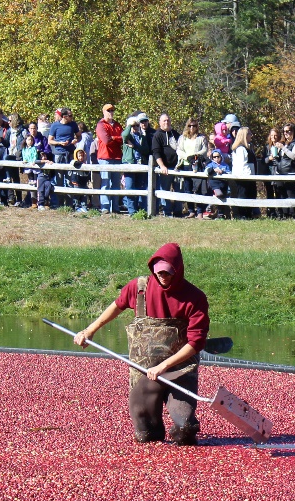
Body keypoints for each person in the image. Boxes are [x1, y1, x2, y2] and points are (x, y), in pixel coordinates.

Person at [73, 244, 210, 444]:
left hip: (179, 372)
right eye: (158, 271)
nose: (163, 275)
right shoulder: (139, 289)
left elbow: (196, 343)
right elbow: (117, 306)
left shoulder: (194, 298)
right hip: (144, 372)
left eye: (168, 272)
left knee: (185, 429)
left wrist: (163, 366)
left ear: (177, 270)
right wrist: (89, 331)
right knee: (147, 436)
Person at [176, 118, 209, 217]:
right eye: (190, 125)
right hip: (186, 165)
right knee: (187, 188)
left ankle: (199, 211)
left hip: (197, 165)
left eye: (194, 126)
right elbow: (179, 150)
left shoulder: (201, 137)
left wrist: (195, 155)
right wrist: (187, 157)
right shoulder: (182, 138)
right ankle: (191, 210)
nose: (192, 128)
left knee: (198, 188)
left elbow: (205, 149)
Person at [95, 103, 123, 214]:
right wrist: (116, 139)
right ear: (104, 112)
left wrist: (113, 137)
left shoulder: (117, 125)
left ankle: (115, 207)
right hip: (105, 157)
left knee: (116, 184)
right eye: (108, 110)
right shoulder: (101, 125)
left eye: (112, 110)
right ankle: (105, 207)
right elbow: (106, 140)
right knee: (105, 183)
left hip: (117, 157)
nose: (111, 112)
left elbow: (123, 139)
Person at [151, 113, 181, 217]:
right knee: (165, 190)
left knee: (179, 189)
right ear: (160, 123)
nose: (166, 122)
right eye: (164, 120)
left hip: (177, 168)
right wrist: (162, 166)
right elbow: (156, 152)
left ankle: (178, 212)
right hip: (166, 168)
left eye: (168, 120)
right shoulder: (157, 135)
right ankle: (167, 212)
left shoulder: (175, 134)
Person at [123, 113, 153, 215]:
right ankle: (132, 211)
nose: (135, 127)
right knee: (130, 187)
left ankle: (140, 210)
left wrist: (135, 146)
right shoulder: (127, 137)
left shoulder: (142, 137)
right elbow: (125, 134)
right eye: (133, 126)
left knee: (139, 187)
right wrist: (129, 125)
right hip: (129, 164)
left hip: (140, 165)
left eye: (137, 125)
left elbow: (145, 150)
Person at [274, 123, 295, 219]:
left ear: (293, 131)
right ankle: (285, 215)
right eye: (284, 131)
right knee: (281, 194)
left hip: (291, 172)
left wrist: (283, 148)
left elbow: (293, 156)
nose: (286, 133)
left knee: (291, 194)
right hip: (280, 173)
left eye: (288, 131)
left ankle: (294, 215)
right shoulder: (283, 143)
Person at [203, 148, 230, 218]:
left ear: (221, 156)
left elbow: (229, 173)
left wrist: (222, 172)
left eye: (218, 156)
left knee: (222, 199)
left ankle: (220, 215)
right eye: (214, 157)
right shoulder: (211, 164)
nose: (216, 158)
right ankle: (210, 206)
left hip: (223, 184)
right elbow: (206, 171)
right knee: (219, 194)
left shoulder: (225, 165)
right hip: (214, 184)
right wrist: (213, 170)